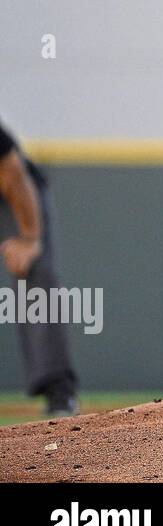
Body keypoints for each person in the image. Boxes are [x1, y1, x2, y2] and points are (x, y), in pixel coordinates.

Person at [0, 117, 79, 417]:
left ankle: (60, 393)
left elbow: (13, 172)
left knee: (35, 275)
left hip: (10, 194)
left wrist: (30, 238)